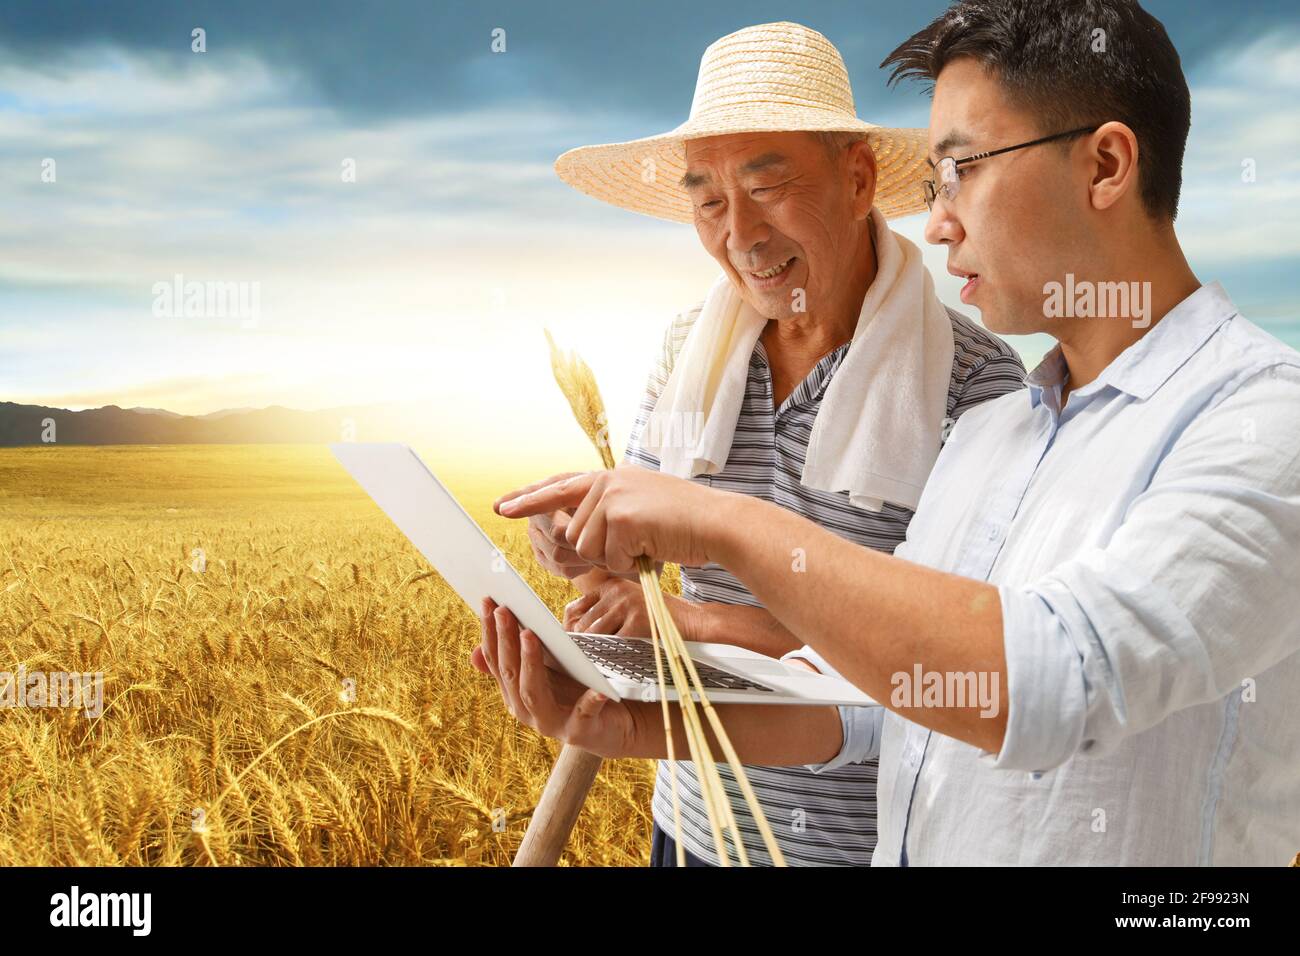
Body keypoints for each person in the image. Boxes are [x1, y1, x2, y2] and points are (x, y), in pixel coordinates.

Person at [478, 0, 1300, 866]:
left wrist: (714, 530)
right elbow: (882, 703)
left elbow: (1060, 677)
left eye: (965, 171)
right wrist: (638, 724)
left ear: (1104, 164)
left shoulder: (1262, 421)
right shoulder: (1002, 432)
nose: (938, 221)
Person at [507, 20, 1024, 866]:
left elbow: (942, 670)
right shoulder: (689, 353)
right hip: (693, 819)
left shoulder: (973, 387)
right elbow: (628, 556)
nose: (739, 235)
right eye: (708, 200)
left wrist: (691, 618)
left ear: (857, 179)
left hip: (862, 847)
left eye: (768, 185)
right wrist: (580, 548)